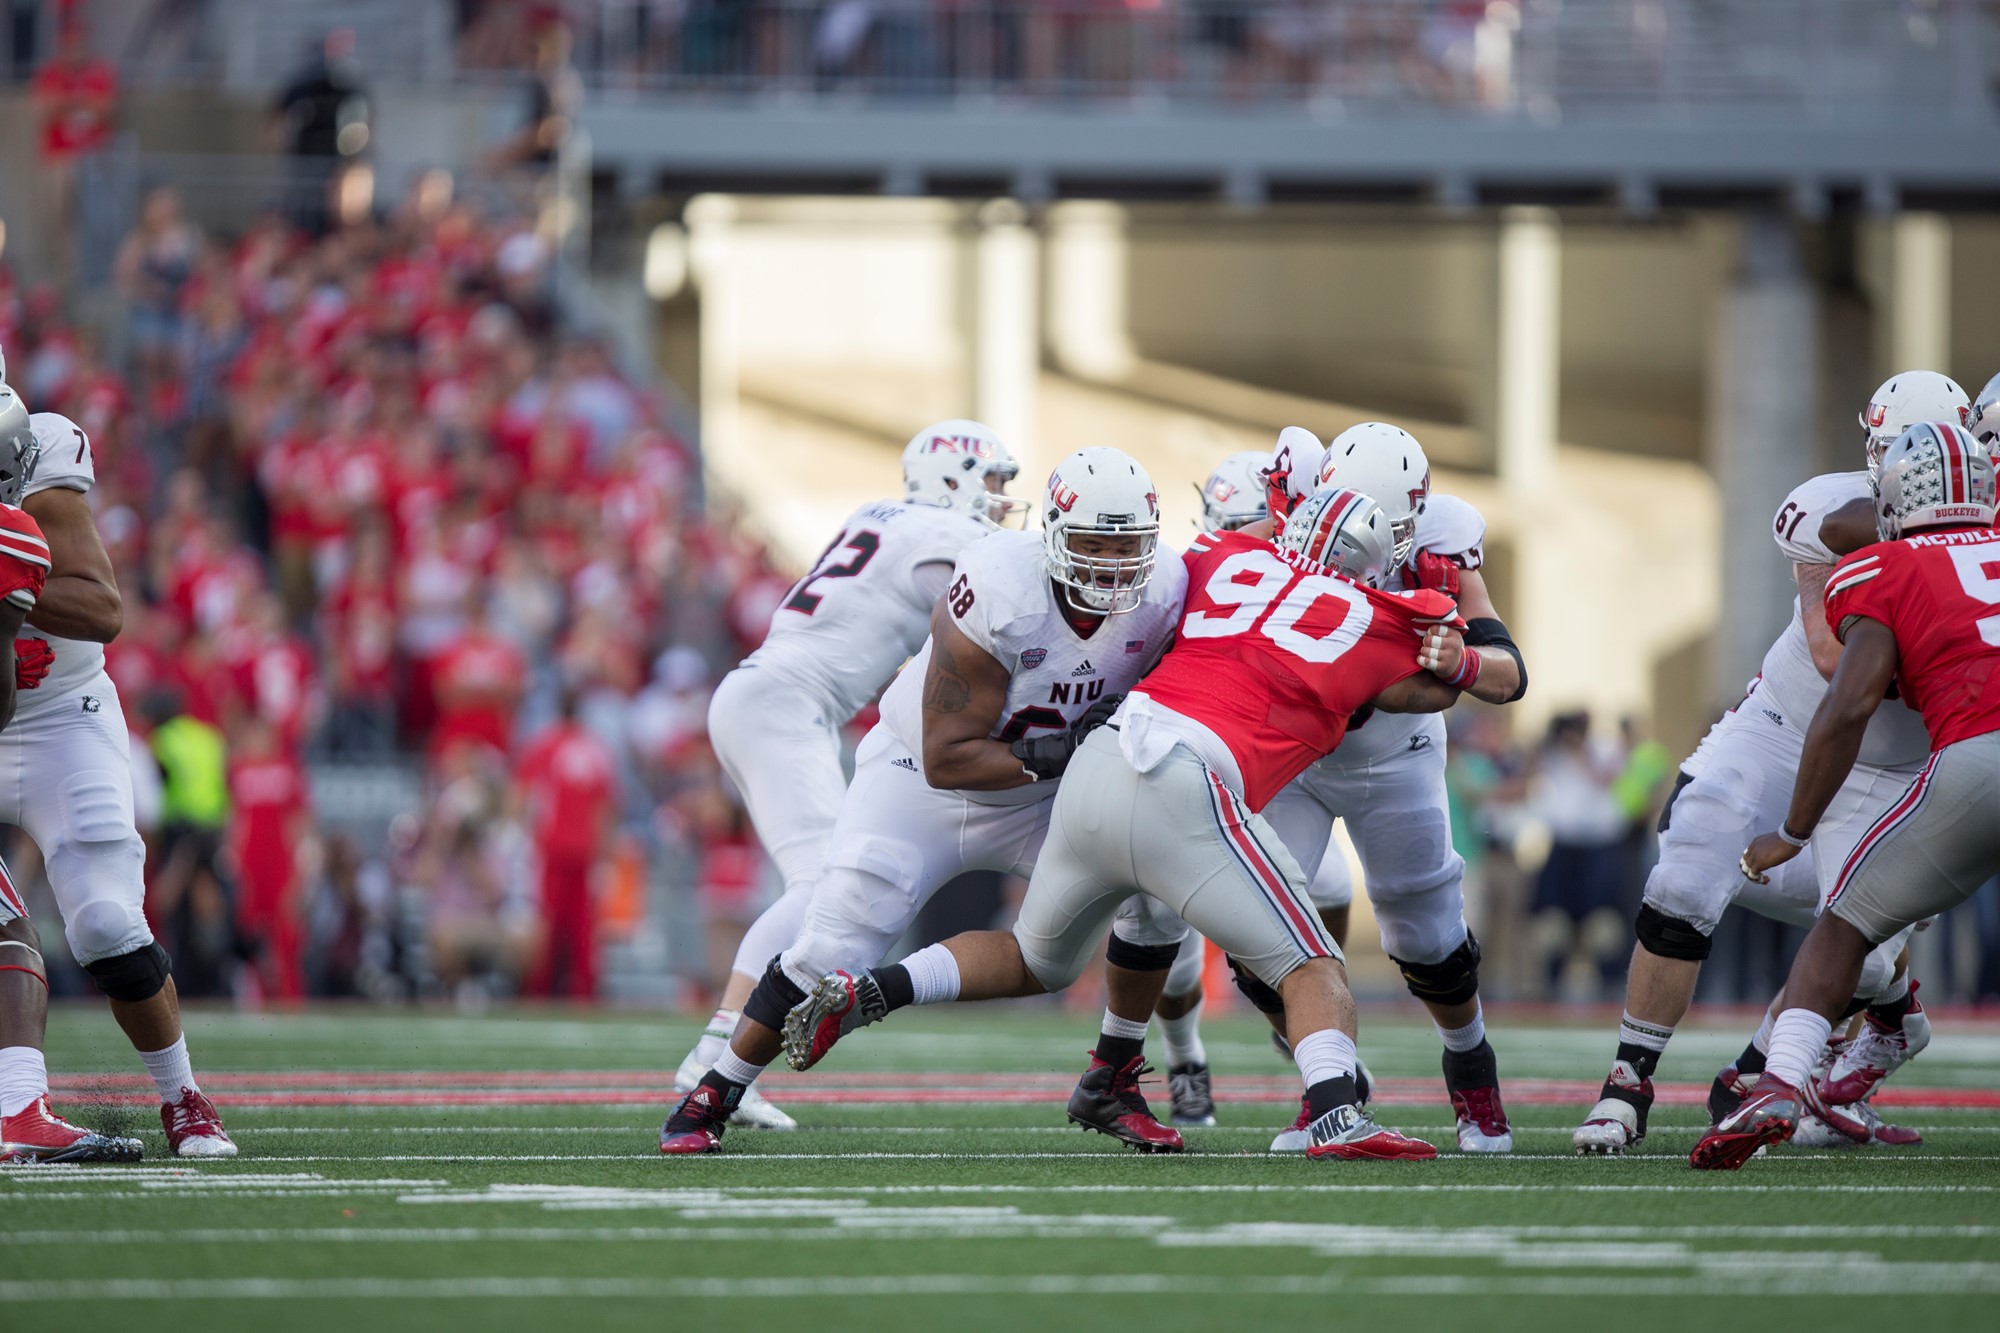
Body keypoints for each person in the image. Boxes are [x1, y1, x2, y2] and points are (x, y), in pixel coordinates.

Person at [784, 481, 1468, 1162]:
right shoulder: (1367, 610)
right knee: (1311, 961)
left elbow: (1215, 563)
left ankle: (882, 987)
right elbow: (1474, 680)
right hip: (1183, 779)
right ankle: (1335, 1113)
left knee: (1034, 956)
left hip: (1097, 759)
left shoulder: (1220, 556)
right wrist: (1463, 652)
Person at [659, 447, 1186, 1154]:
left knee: (1149, 893)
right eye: (1091, 543)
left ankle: (1114, 1076)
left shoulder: (1167, 590)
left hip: (1039, 795)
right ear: (1055, 533)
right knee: (831, 939)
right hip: (921, 777)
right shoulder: (998, 581)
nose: (1110, 565)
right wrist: (1063, 751)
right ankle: (712, 1090)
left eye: (1126, 547)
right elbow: (947, 756)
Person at [1573, 371, 1970, 1156]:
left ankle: (1757, 1076)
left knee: (1861, 938)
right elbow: (1833, 660)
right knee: (1691, 852)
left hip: (1898, 767)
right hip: (1788, 731)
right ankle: (1627, 1082)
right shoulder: (1832, 510)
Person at [1143, 423, 1529, 1154]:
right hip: (1301, 753)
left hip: (1397, 757)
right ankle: (1333, 1084)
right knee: (1261, 934)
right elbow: (1200, 571)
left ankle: (1472, 1070)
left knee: (1427, 937)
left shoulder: (1439, 544)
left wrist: (1463, 662)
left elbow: (1509, 671)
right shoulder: (1278, 526)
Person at [669, 419, 1021, 1132]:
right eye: (991, 481)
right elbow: (1001, 611)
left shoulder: (880, 517)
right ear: (950, 478)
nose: (998, 498)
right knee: (828, 885)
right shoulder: (939, 536)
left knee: (823, 883)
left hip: (770, 695)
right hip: (785, 702)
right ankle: (717, 1049)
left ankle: (720, 1047)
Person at [1696, 421, 2000, 1169]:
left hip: (1981, 758)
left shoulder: (1885, 566)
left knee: (1843, 927)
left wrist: (1793, 832)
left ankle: (1777, 1085)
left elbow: (1848, 706)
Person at [0, 381, 234, 1156]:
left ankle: (183, 1096)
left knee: (105, 921)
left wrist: (13, 583)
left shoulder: (42, 451)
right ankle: (19, 1109)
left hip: (64, 711)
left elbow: (101, 607)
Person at [0, 441, 139, 1159]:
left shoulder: (30, 507)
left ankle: (19, 1110)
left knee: (7, 924)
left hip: (58, 726)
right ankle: (18, 1113)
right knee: (8, 932)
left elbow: (103, 608)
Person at [515, 694, 618, 999]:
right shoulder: (596, 750)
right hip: (585, 849)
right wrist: (605, 851)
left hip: (552, 847)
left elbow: (523, 795)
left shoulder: (546, 745)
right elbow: (605, 809)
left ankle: (539, 989)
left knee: (548, 922)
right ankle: (584, 991)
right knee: (584, 926)